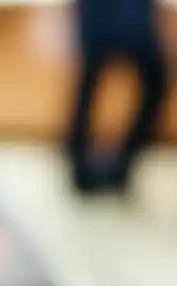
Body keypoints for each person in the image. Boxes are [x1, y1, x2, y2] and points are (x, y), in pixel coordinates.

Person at [66, 0, 167, 194]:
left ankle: (108, 165)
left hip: (112, 16)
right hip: (124, 17)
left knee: (88, 87)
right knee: (88, 88)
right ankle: (112, 165)